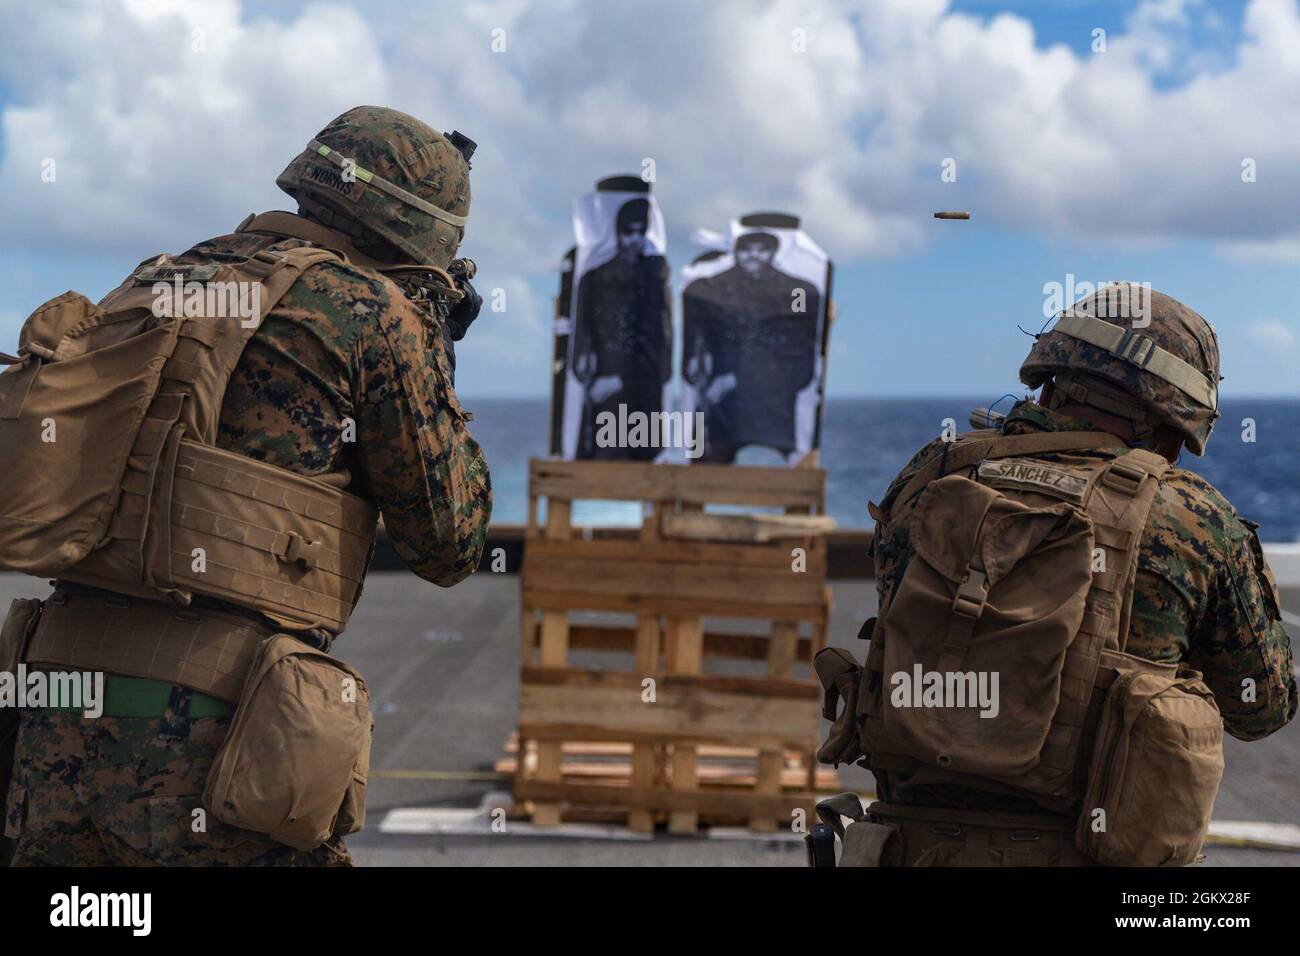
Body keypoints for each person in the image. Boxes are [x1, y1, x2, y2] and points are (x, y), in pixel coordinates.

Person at [0, 105, 492, 866]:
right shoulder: (374, 313)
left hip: (52, 709)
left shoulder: (167, 274)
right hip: (213, 732)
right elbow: (448, 541)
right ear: (421, 234)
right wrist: (430, 346)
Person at [819, 283, 1295, 866]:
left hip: (909, 851)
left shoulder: (932, 473)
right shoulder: (1193, 517)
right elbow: (1261, 708)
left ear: (1047, 382)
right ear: (1173, 429)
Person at [682, 231, 819, 462]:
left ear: (773, 252)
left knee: (789, 476)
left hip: (776, 409)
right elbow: (694, 346)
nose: (754, 256)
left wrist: (739, 379)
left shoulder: (798, 290)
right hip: (720, 409)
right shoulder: (710, 286)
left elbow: (798, 352)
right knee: (705, 471)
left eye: (761, 250)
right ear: (736, 252)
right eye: (747, 250)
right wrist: (696, 370)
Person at [571, 197, 671, 459]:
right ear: (618, 232)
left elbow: (659, 340)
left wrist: (624, 379)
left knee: (644, 463)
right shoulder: (593, 279)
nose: (635, 239)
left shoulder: (655, 277)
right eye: (629, 232)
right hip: (604, 389)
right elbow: (583, 335)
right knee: (603, 460)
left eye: (641, 232)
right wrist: (591, 377)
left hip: (643, 389)